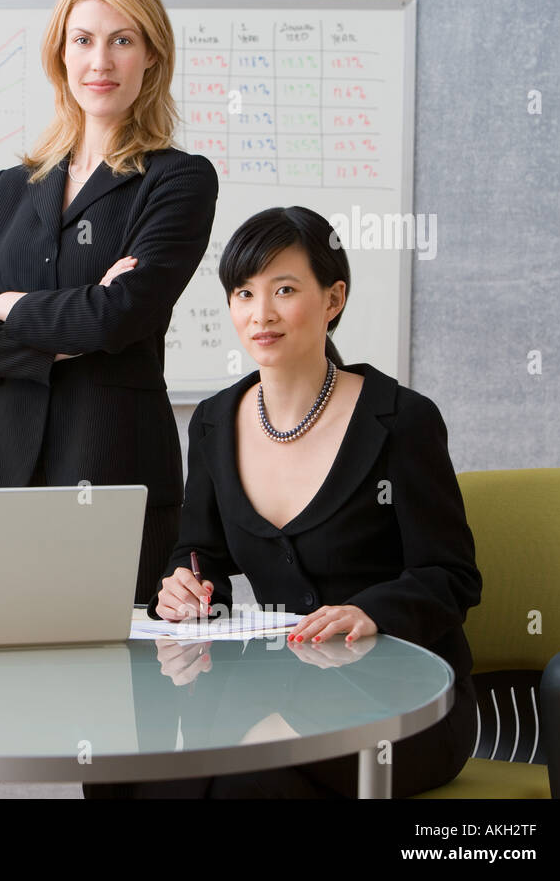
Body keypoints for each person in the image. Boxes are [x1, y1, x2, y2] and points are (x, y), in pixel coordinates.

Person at [138, 205, 481, 797]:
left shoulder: (401, 420)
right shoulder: (215, 422)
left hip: (404, 703)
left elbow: (450, 576)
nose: (260, 313)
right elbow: (200, 552)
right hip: (272, 686)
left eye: (285, 289)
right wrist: (184, 586)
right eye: (243, 293)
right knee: (169, 781)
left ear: (333, 299)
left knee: (249, 779)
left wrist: (372, 611)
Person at [0, 0, 219, 608]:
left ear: (152, 55)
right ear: (60, 55)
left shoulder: (177, 180)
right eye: (83, 40)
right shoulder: (9, 191)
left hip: (114, 462)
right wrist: (76, 321)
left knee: (114, 689)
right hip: (4, 470)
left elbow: (121, 316)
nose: (102, 60)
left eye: (123, 39)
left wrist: (9, 307)